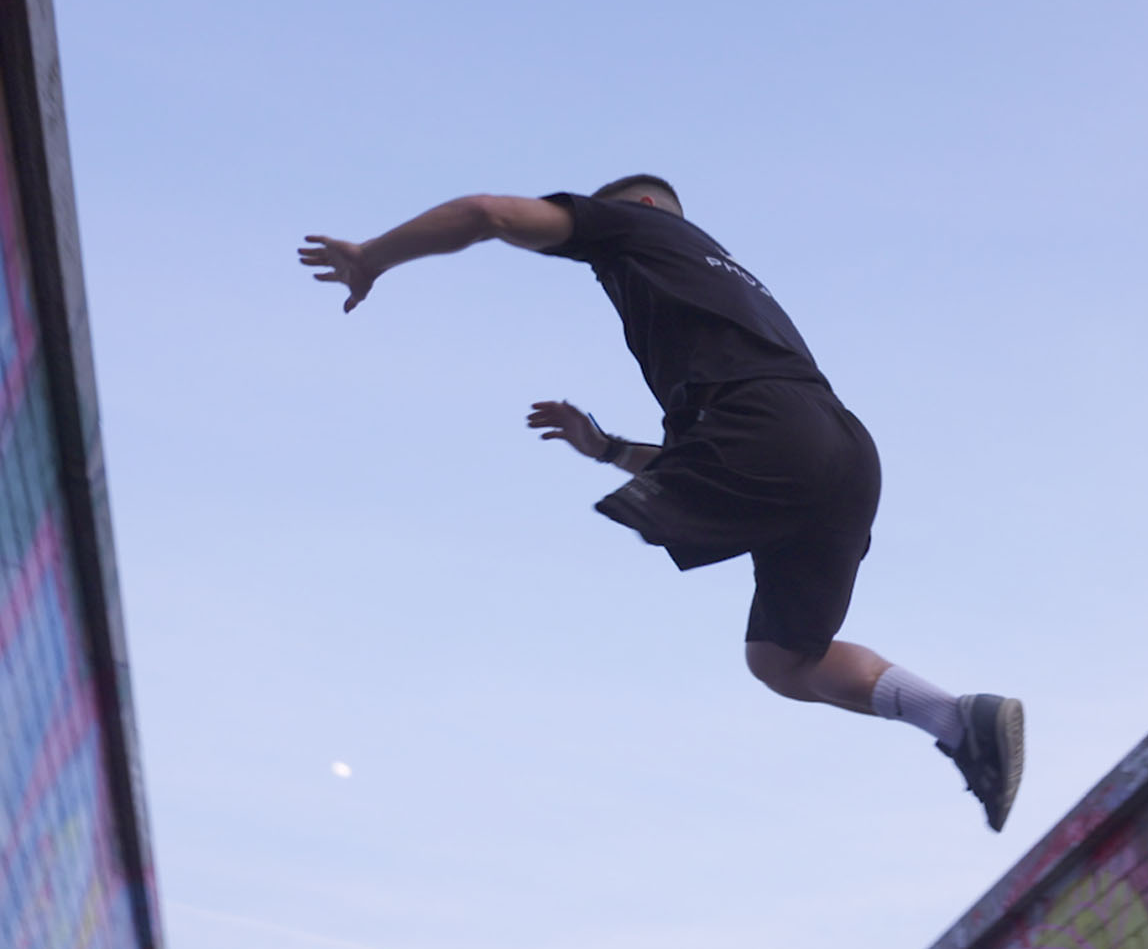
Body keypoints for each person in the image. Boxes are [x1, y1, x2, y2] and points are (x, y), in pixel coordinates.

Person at [297, 175, 1025, 830]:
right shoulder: (723, 293)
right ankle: (957, 720)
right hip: (838, 452)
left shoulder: (641, 228)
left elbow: (487, 212)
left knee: (586, 554)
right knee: (780, 659)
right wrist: (608, 447)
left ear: (636, 209)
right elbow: (726, 449)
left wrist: (374, 256)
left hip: (768, 430)